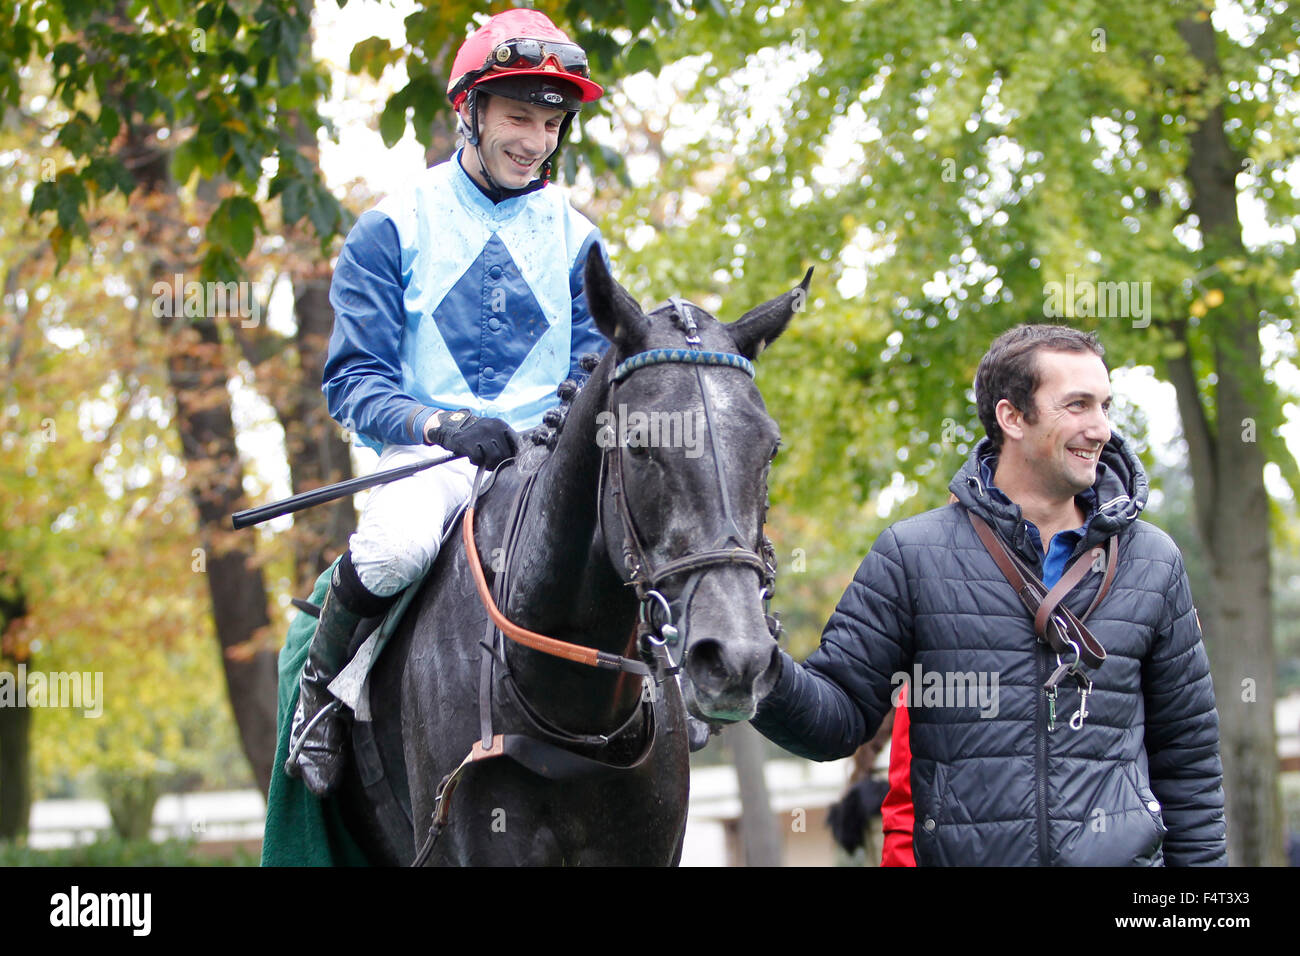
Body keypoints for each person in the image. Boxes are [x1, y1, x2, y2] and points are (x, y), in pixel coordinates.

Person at [752, 324, 1228, 865]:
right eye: (1077, 405)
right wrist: (755, 666)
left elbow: (1189, 766)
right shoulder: (912, 555)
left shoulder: (1153, 560)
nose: (1102, 428)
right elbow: (834, 721)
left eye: (1104, 405)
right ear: (1012, 417)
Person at [284, 8, 609, 796]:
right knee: (394, 552)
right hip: (435, 455)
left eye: (550, 122)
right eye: (518, 117)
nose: (535, 140)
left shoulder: (579, 237)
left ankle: (680, 675)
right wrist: (441, 424)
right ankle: (322, 697)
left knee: (650, 525)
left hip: (545, 457)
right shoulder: (388, 228)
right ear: (470, 110)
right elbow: (353, 381)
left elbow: (598, 360)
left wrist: (570, 414)